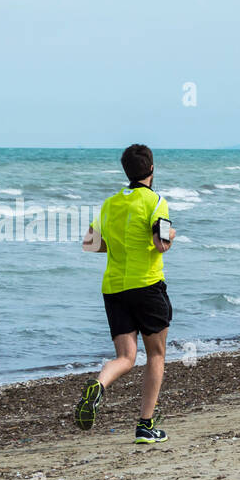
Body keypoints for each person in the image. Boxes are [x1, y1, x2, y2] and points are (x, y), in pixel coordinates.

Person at [74, 143, 177, 443]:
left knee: (126, 357)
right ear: (152, 169)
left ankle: (99, 385)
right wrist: (170, 235)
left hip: (114, 288)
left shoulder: (109, 204)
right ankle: (145, 425)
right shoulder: (157, 202)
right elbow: (161, 244)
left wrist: (118, 246)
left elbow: (90, 245)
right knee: (156, 355)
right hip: (147, 285)